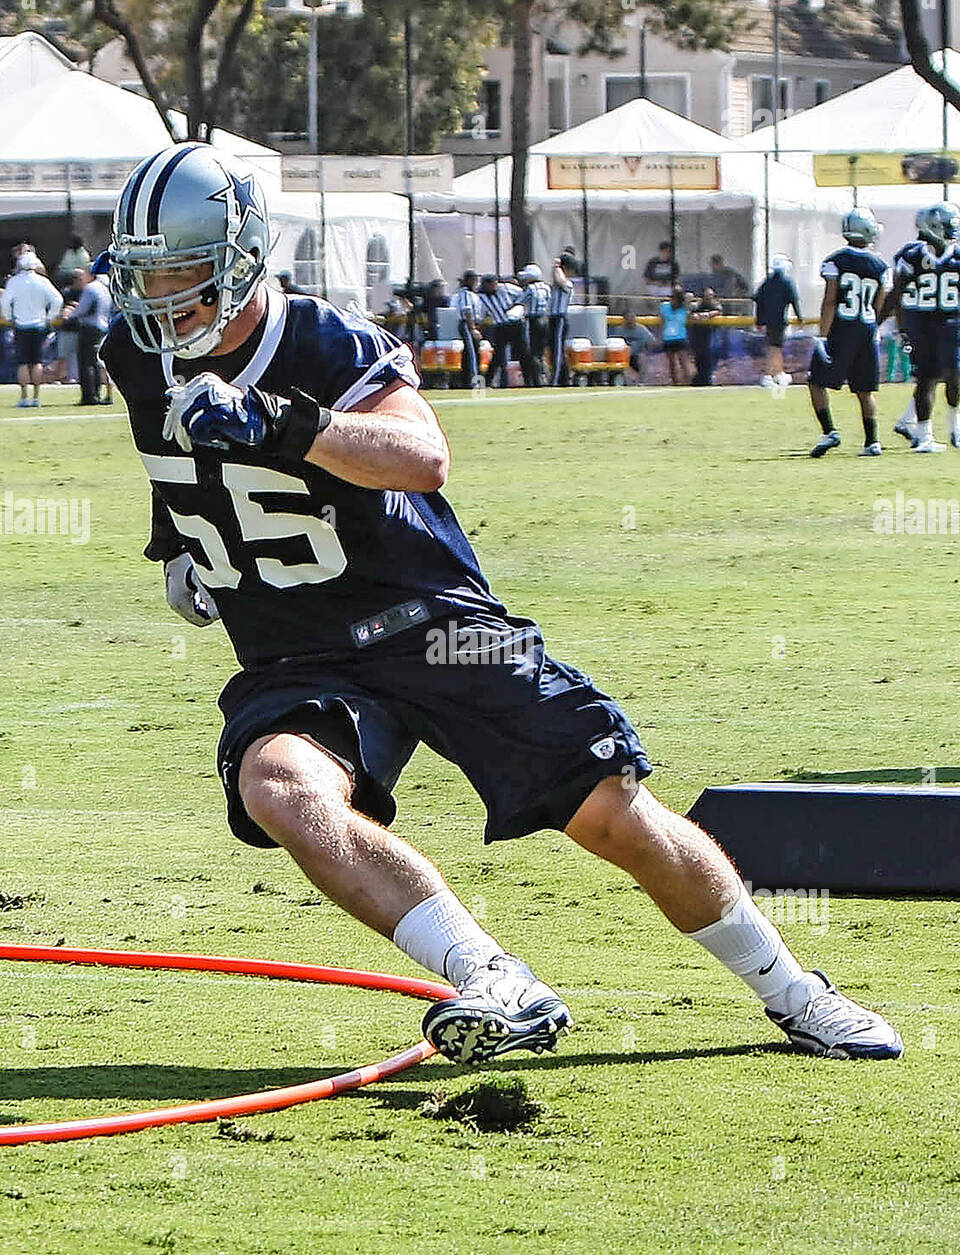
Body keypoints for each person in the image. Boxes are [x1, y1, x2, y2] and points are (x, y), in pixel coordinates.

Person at [99, 141, 903, 1069]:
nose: (163, 299)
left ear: (240, 257)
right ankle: (492, 976)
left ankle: (797, 993)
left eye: (184, 273)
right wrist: (176, 544)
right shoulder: (135, 351)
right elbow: (179, 459)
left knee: (611, 813)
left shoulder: (327, 344)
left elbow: (420, 455)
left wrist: (289, 422)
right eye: (145, 275)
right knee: (279, 786)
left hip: (432, 626)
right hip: (299, 652)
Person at [807, 208, 891, 460]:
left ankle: (830, 431)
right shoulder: (880, 265)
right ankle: (872, 440)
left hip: (841, 329)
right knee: (865, 390)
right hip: (866, 329)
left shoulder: (836, 261)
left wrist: (822, 335)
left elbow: (830, 301)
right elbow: (879, 305)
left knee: (816, 382)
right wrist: (874, 329)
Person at [885, 203, 960, 452]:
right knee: (926, 377)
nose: (952, 230)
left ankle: (954, 427)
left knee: (954, 374)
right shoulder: (912, 256)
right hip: (922, 323)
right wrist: (878, 322)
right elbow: (895, 293)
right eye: (946, 225)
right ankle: (924, 435)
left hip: (953, 322)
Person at [0, 252, 63, 407]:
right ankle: (36, 397)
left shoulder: (14, 282)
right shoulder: (42, 281)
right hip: (39, 325)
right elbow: (58, 299)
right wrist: (50, 317)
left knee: (22, 362)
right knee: (37, 362)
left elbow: (5, 302)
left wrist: (9, 318)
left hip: (21, 325)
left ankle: (24, 397)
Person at [754, 257, 802, 388]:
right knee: (774, 348)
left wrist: (759, 320)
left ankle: (778, 372)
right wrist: (800, 318)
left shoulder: (767, 282)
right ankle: (768, 375)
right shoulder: (786, 282)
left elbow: (758, 300)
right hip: (779, 320)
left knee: (776, 346)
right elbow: (794, 300)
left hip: (768, 321)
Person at [70, 264, 114, 405]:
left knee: (86, 363)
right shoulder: (104, 289)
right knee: (95, 363)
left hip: (89, 328)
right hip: (102, 327)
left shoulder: (90, 288)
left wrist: (70, 314)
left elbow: (82, 309)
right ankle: (97, 392)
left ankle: (89, 396)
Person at [478, 271, 522, 388]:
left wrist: (516, 307)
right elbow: (481, 314)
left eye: (491, 283)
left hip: (514, 323)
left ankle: (523, 380)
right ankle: (495, 382)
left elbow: (522, 294)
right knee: (499, 356)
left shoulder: (506, 288)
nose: (490, 286)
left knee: (520, 352)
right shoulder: (481, 296)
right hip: (499, 326)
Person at [517, 262, 551, 387]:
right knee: (541, 352)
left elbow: (520, 300)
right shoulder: (546, 287)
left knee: (533, 352)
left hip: (533, 320)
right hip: (544, 318)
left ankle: (537, 381)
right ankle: (545, 377)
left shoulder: (530, 288)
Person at [451, 269, 483, 388]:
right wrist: (472, 328)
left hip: (473, 323)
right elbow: (467, 310)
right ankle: (473, 380)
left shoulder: (472, 294)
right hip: (466, 324)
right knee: (471, 353)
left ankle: (466, 380)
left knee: (472, 351)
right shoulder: (465, 294)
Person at [688, 286, 724, 387]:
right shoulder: (697, 305)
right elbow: (690, 310)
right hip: (698, 336)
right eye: (707, 296)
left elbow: (718, 310)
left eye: (711, 295)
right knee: (699, 358)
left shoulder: (714, 304)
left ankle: (707, 379)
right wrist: (694, 314)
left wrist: (708, 314)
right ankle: (700, 379)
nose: (710, 297)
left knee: (710, 358)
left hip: (711, 335)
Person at [549, 252, 576, 386]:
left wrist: (556, 267)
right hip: (553, 318)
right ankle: (564, 379)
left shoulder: (567, 284)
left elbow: (560, 280)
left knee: (557, 350)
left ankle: (557, 380)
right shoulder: (557, 282)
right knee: (555, 350)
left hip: (560, 318)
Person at [659, 283, 692, 386]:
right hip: (668, 337)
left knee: (684, 362)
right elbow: (662, 321)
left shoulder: (684, 308)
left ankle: (688, 383)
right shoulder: (664, 307)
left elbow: (691, 297)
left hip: (680, 337)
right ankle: (675, 383)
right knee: (672, 363)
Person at [620, 311, 655, 383]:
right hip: (623, 356)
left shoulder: (642, 329)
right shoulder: (619, 330)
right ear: (625, 319)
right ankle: (622, 382)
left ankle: (641, 382)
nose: (631, 320)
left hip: (637, 354)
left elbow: (651, 341)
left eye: (632, 318)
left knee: (642, 359)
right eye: (628, 318)